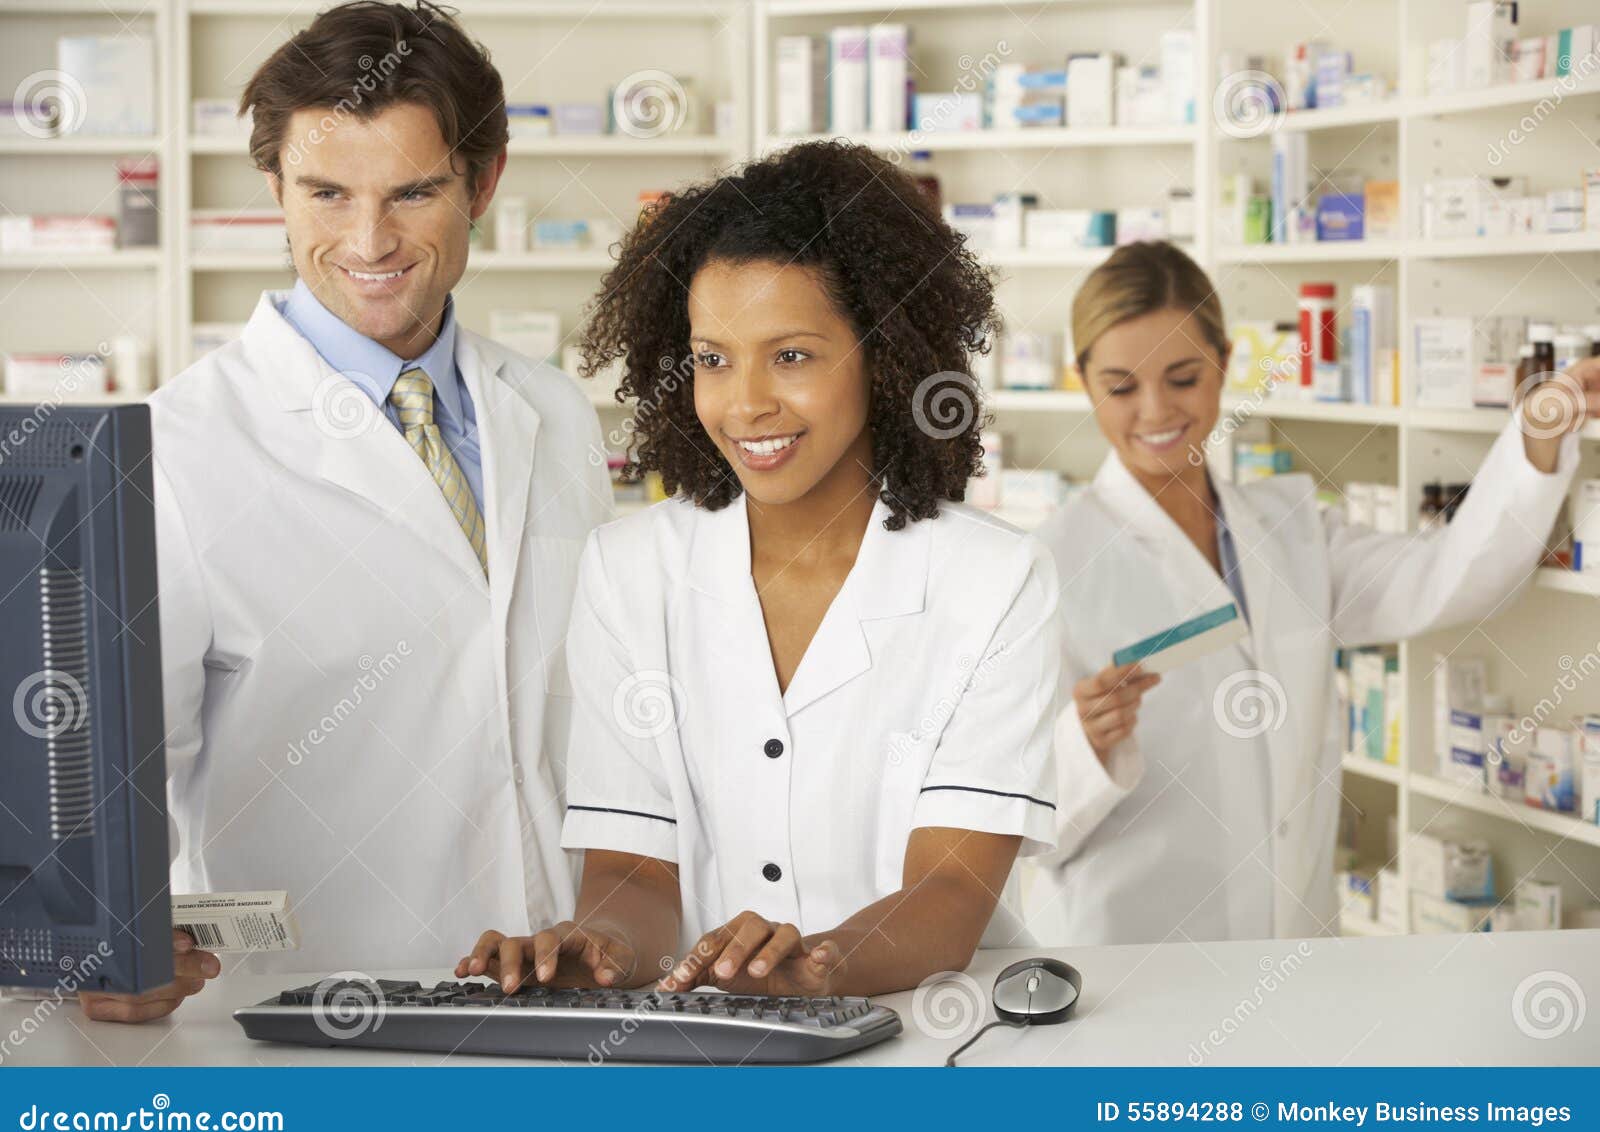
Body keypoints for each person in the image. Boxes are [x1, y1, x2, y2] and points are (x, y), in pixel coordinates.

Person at [81, 1, 611, 1022]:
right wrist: (109, 942)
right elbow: (108, 780)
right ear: (274, 187)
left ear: (484, 182)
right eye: (327, 192)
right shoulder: (170, 449)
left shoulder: (550, 408)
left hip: (559, 994)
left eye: (414, 192)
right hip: (315, 1012)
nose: (370, 242)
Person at [457, 140, 1061, 997]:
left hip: (932, 1045)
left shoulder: (995, 581)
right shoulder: (629, 569)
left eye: (792, 355)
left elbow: (953, 889)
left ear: (884, 355)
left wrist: (815, 965)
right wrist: (596, 948)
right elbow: (636, 869)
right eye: (712, 358)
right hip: (704, 1046)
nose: (745, 403)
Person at [1026, 241, 1598, 947]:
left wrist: (1537, 434)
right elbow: (1020, 839)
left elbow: (1449, 577)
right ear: (1082, 381)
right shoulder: (1052, 564)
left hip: (1293, 947)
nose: (1155, 411)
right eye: (1120, 386)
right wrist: (1082, 745)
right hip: (1131, 963)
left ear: (1225, 365)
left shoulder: (1291, 527)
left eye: (1182, 377)